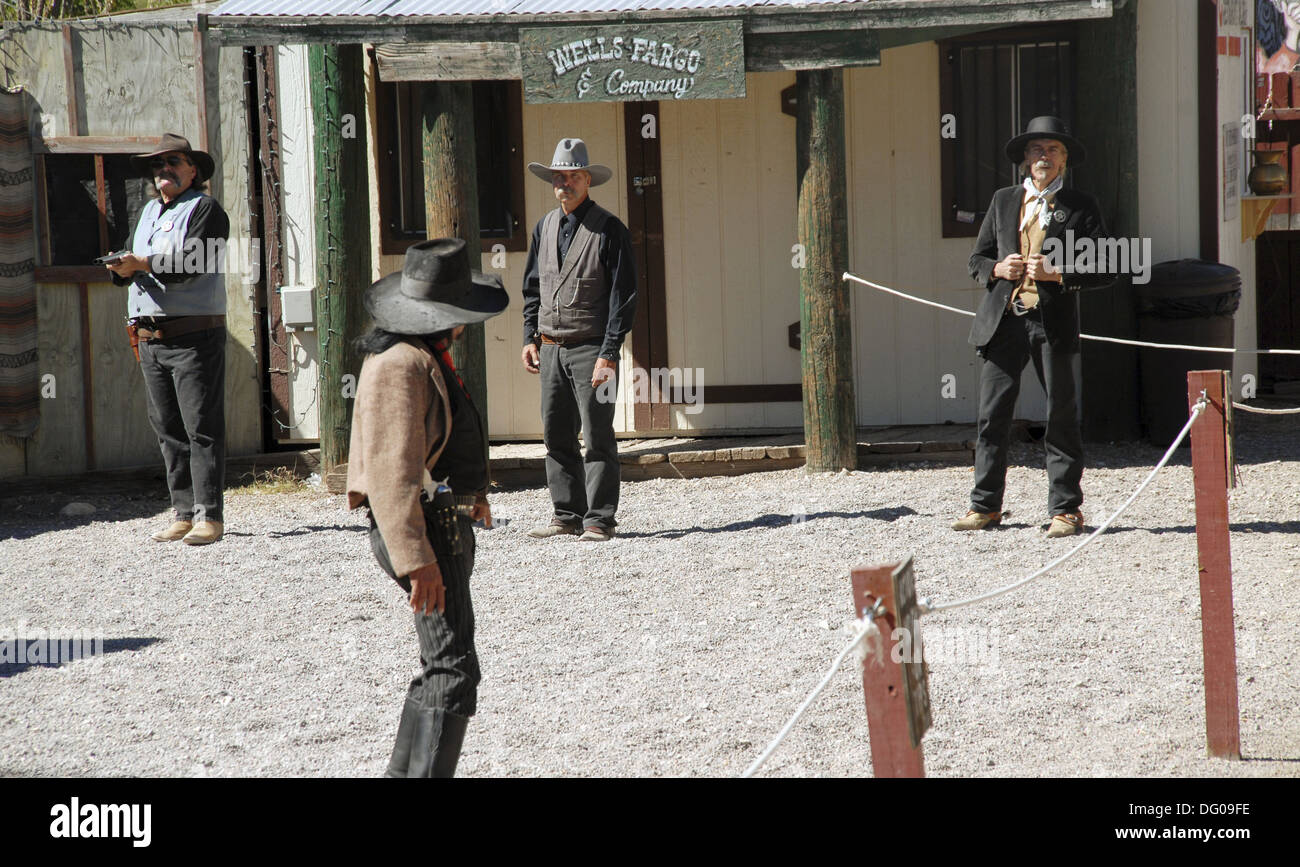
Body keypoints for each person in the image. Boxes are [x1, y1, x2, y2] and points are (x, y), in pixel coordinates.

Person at [347, 237, 508, 778]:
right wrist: (418, 560)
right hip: (418, 530)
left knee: (443, 664)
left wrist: (470, 498)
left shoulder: (422, 355)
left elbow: (441, 444)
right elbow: (392, 475)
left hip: (438, 520)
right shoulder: (400, 365)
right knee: (453, 670)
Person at [953, 116, 1113, 538]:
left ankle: (1065, 510)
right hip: (1004, 322)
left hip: (1052, 323)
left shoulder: (1081, 205)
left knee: (1060, 415)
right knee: (992, 416)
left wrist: (1058, 272)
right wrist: (997, 268)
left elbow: (1107, 266)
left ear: (1064, 160)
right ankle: (984, 507)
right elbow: (976, 260)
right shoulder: (1003, 200)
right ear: (1026, 158)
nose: (1045, 157)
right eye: (1038, 149)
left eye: (1053, 150)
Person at [107, 133, 229, 546]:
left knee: (202, 428)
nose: (164, 171)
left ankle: (210, 516)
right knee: (168, 429)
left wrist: (140, 263)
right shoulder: (147, 213)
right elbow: (136, 259)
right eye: (158, 165)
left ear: (193, 170)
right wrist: (121, 265)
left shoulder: (207, 209)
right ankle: (183, 512)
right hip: (150, 336)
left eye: (173, 162)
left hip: (194, 334)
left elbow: (191, 265)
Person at [520, 138, 637, 542]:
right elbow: (532, 289)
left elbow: (624, 299)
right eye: (558, 176)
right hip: (550, 348)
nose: (564, 183)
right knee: (556, 435)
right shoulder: (543, 226)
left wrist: (609, 354)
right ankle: (566, 514)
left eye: (572, 176)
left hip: (592, 350)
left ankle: (599, 519)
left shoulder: (610, 229)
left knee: (599, 436)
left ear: (588, 179)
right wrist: (529, 337)